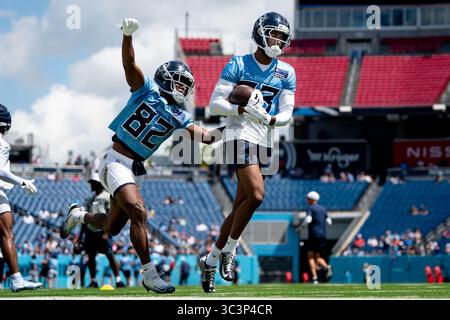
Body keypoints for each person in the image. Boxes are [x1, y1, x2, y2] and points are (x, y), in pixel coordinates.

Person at [59, 18, 222, 294]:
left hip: (134, 170)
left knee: (110, 227)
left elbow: (203, 134)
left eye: (186, 84)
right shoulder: (148, 90)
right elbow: (129, 66)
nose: (183, 88)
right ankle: (149, 274)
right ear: (166, 78)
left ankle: (80, 215)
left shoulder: (179, 114)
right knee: (139, 211)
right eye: (179, 82)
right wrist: (127, 36)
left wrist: (229, 129)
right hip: (115, 160)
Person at [200, 11, 296, 293]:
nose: (277, 40)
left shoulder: (287, 71)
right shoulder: (239, 63)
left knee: (241, 207)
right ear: (259, 33)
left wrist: (269, 119)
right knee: (256, 195)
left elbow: (288, 112)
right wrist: (241, 109)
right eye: (273, 33)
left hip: (265, 137)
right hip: (238, 134)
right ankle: (230, 249)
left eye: (281, 36)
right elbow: (214, 105)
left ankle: (211, 259)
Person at [0, 104, 42, 292]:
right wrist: (21, 182)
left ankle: (16, 278)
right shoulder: (2, 143)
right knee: (7, 231)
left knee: (7, 226)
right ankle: (16, 280)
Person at [74, 172, 125, 288]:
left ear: (98, 184)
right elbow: (84, 218)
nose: (91, 185)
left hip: (103, 231)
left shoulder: (107, 196)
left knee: (110, 255)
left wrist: (107, 232)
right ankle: (93, 281)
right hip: (90, 232)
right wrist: (80, 236)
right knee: (90, 257)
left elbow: (110, 214)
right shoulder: (89, 200)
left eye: (93, 183)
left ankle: (118, 280)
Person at [300, 191, 333, 284]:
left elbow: (308, 219)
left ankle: (315, 278)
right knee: (317, 256)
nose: (306, 200)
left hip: (313, 235)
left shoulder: (310, 208)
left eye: (307, 198)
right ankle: (327, 266)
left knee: (310, 256)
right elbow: (329, 222)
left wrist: (301, 226)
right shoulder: (323, 208)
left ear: (311, 199)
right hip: (322, 236)